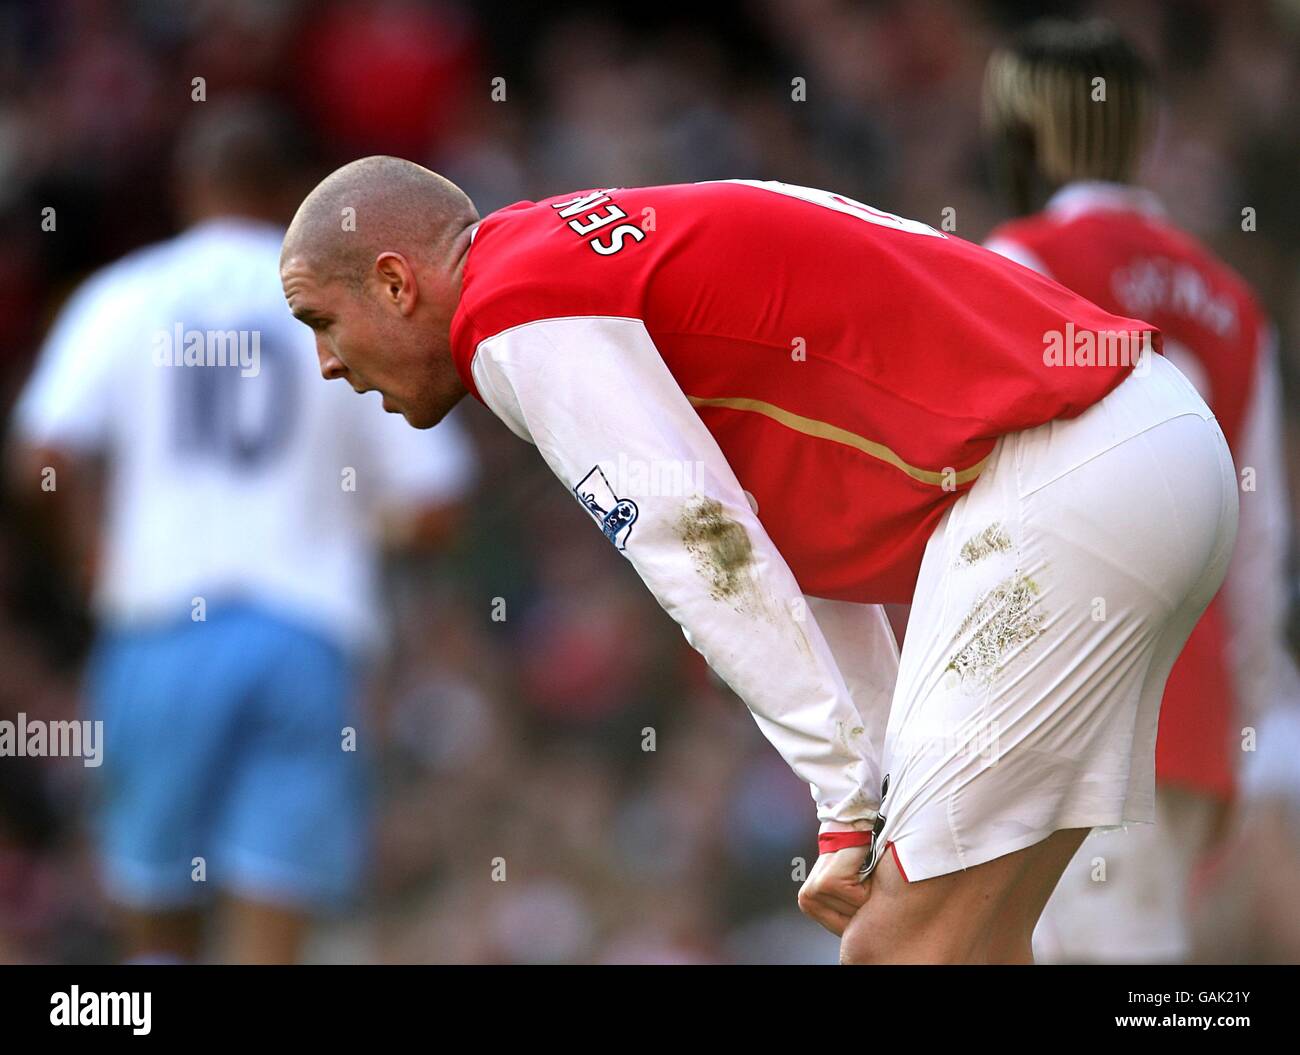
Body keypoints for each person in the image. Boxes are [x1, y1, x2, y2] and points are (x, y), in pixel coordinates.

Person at [278, 157, 1237, 964]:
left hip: (1065, 477)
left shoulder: (514, 311)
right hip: (1139, 451)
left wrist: (844, 802)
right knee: (981, 945)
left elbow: (700, 547)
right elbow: (789, 561)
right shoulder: (575, 252)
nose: (326, 362)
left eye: (321, 321)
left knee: (894, 946)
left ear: (398, 284)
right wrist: (864, 785)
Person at [8, 105, 475, 964]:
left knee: (154, 906)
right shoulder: (338, 299)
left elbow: (43, 450)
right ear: (294, 196)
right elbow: (436, 502)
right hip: (304, 631)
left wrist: (89, 551)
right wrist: (353, 522)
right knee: (276, 910)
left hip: (158, 625)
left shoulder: (126, 294)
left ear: (190, 188)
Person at [982, 19, 1296, 963]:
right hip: (1190, 716)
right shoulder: (1234, 303)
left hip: (1062, 706)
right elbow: (1262, 543)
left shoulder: (1020, 261)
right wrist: (1241, 726)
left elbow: (996, 505)